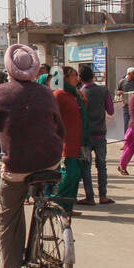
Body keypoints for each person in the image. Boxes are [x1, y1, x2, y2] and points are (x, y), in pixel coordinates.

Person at [0, 45, 65, 268]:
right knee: (38, 191)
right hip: (50, 161)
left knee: (9, 214)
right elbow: (59, 128)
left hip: (17, 164)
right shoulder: (46, 93)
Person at [78, 66, 114, 205]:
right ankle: (103, 196)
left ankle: (89, 196)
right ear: (93, 76)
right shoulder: (103, 90)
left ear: (80, 79)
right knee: (102, 165)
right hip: (100, 133)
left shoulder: (80, 93)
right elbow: (110, 110)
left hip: (85, 135)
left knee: (86, 167)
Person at [52, 67, 86, 215]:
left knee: (76, 175)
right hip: (65, 143)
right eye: (74, 75)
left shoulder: (73, 95)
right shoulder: (58, 95)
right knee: (69, 174)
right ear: (65, 78)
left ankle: (67, 207)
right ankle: (57, 204)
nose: (77, 78)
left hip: (77, 142)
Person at [116, 68, 134, 133]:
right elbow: (117, 91)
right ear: (129, 74)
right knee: (126, 123)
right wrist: (119, 93)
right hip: (126, 106)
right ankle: (126, 137)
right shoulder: (122, 82)